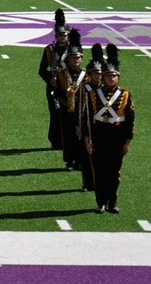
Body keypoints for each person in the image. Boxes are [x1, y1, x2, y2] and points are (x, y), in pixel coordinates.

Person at [83, 45, 135, 214]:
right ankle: (101, 202)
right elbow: (87, 119)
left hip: (117, 136)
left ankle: (113, 201)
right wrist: (87, 140)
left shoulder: (125, 94)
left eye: (114, 75)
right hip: (99, 136)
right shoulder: (92, 93)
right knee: (99, 171)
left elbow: (130, 120)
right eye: (107, 76)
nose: (111, 78)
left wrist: (127, 141)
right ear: (103, 78)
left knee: (114, 172)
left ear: (118, 77)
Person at [38, 9, 71, 150]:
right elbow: (41, 70)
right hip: (54, 87)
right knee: (55, 113)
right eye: (60, 35)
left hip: (70, 86)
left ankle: (68, 141)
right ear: (56, 36)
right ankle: (55, 141)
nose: (63, 37)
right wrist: (50, 80)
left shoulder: (73, 50)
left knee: (70, 114)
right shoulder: (49, 50)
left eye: (65, 35)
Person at [75, 44, 106, 192]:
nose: (97, 76)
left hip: (102, 125)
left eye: (99, 73)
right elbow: (79, 107)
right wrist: (78, 124)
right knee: (86, 155)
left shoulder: (106, 89)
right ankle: (88, 183)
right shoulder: (85, 88)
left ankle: (100, 182)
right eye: (94, 73)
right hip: (86, 124)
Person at [54, 29, 86, 170]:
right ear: (68, 59)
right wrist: (64, 95)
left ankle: (80, 160)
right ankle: (70, 160)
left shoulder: (86, 75)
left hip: (83, 110)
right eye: (73, 57)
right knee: (68, 136)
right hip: (67, 108)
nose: (76, 60)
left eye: (78, 57)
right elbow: (56, 92)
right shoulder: (62, 74)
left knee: (81, 135)